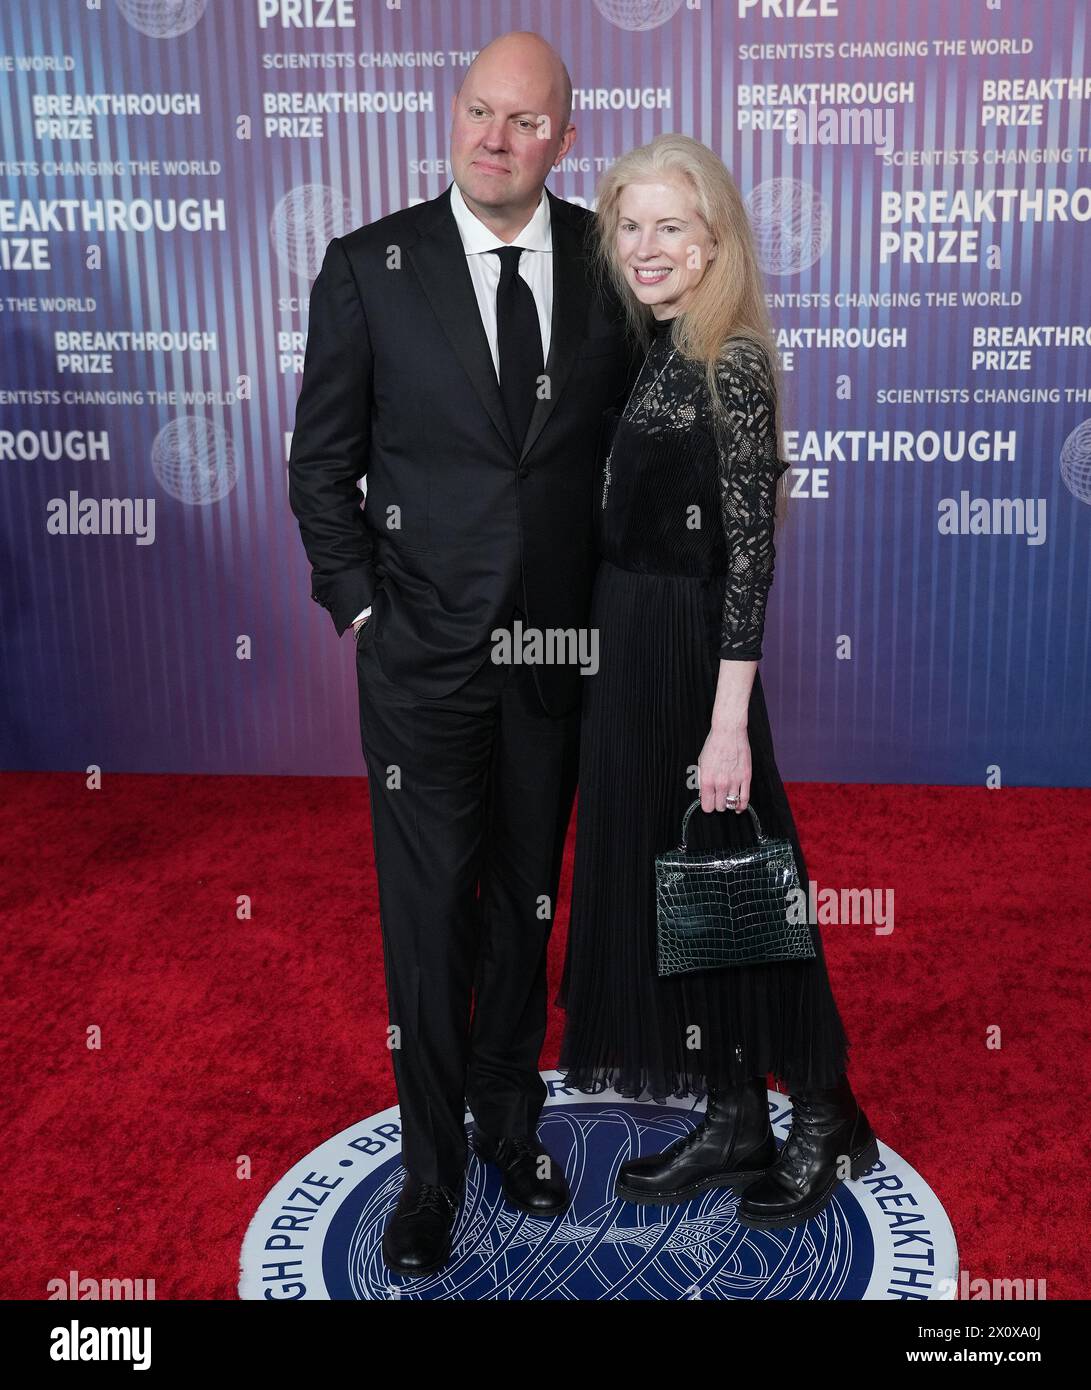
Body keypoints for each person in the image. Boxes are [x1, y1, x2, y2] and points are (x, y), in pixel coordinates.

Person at [287, 31, 636, 1277]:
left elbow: (642, 456)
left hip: (556, 655)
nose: (495, 139)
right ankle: (429, 1175)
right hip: (421, 660)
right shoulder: (369, 266)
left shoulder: (613, 262)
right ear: (453, 115)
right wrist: (367, 614)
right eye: (479, 112)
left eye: (525, 121)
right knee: (430, 920)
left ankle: (508, 1121)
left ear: (565, 138)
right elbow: (319, 468)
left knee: (522, 908)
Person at [556, 133, 878, 1228]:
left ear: (711, 244)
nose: (643, 247)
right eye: (628, 225)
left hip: (695, 661)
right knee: (679, 896)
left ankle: (824, 1113)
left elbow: (751, 553)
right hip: (627, 653)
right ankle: (734, 1110)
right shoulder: (653, 345)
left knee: (741, 889)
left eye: (669, 229)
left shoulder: (726, 359)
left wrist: (726, 723)